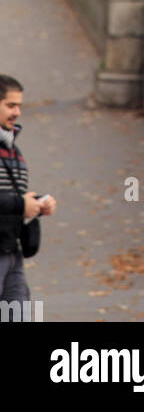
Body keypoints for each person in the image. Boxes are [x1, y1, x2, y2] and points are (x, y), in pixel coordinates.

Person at [0, 74, 56, 316]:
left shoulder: (13, 149)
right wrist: (19, 204)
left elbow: (14, 195)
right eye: (10, 105)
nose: (17, 113)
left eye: (20, 106)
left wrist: (36, 203)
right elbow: (12, 200)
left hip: (11, 251)